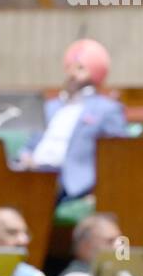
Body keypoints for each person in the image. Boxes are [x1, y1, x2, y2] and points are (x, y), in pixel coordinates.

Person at [18, 39, 129, 199]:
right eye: (69, 67)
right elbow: (29, 145)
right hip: (32, 171)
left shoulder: (107, 109)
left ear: (96, 72)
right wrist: (25, 156)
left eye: (80, 68)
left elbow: (118, 156)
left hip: (67, 179)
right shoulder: (49, 106)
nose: (72, 73)